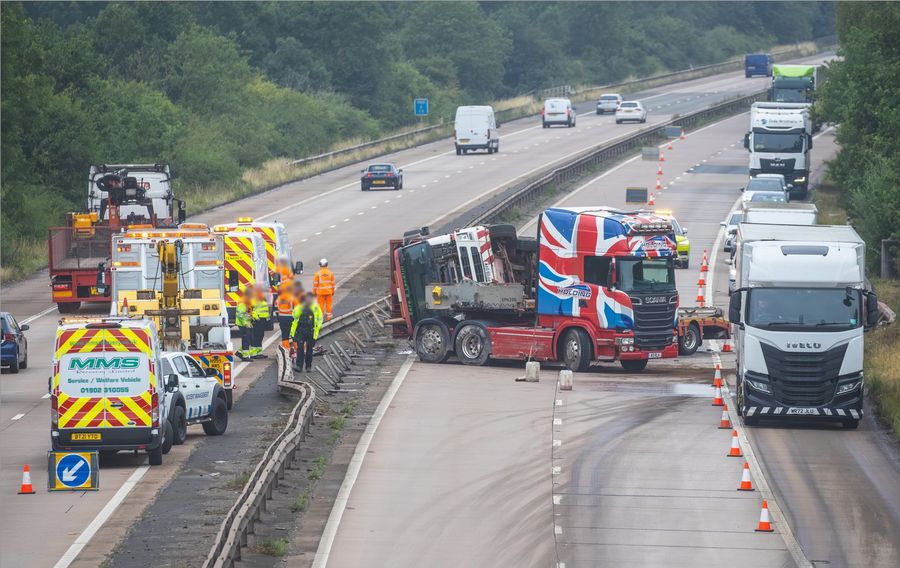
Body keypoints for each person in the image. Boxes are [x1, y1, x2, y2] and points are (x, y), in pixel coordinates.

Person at [291, 291, 323, 372]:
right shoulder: (305, 306)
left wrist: (317, 328)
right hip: (305, 331)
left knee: (305, 349)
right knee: (304, 349)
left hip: (306, 331)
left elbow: (320, 318)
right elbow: (295, 315)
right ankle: (303, 366)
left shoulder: (312, 307)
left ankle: (304, 366)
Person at [275, 281, 299, 349]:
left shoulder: (279, 298)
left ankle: (286, 349)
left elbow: (276, 309)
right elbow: (298, 309)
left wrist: (279, 318)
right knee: (294, 335)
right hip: (291, 318)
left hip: (282, 318)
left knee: (285, 335)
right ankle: (297, 350)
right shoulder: (292, 297)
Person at [235, 286, 255, 360]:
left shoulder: (247, 301)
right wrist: (245, 323)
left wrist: (252, 319)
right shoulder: (243, 302)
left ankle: (240, 352)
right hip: (243, 324)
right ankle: (245, 356)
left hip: (247, 323)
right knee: (246, 339)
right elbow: (240, 314)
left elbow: (248, 312)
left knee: (249, 339)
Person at [250, 284, 270, 359]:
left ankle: (259, 353)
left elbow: (265, 309)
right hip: (258, 320)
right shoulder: (254, 299)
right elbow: (251, 310)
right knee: (256, 336)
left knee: (260, 336)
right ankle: (254, 354)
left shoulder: (262, 298)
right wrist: (256, 317)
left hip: (263, 320)